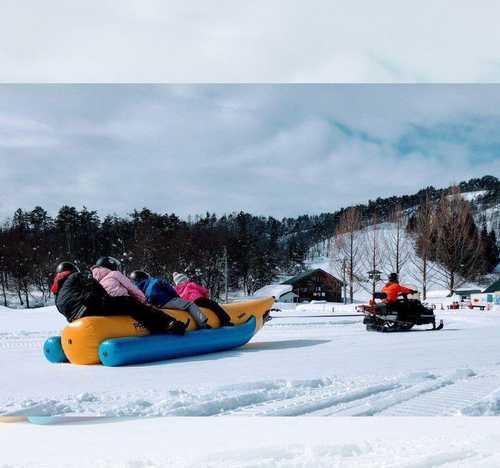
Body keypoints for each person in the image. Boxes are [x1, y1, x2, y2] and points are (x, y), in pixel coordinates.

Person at [50, 261, 186, 335]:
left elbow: (64, 309)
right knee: (129, 303)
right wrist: (105, 299)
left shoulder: (57, 291)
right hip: (90, 308)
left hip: (75, 318)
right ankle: (167, 324)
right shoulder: (75, 276)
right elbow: (93, 285)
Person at [129, 270, 212, 329]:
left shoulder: (138, 288)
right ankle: (202, 324)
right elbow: (169, 288)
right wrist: (177, 297)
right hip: (166, 300)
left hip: (155, 305)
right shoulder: (154, 281)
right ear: (145, 276)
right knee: (190, 304)